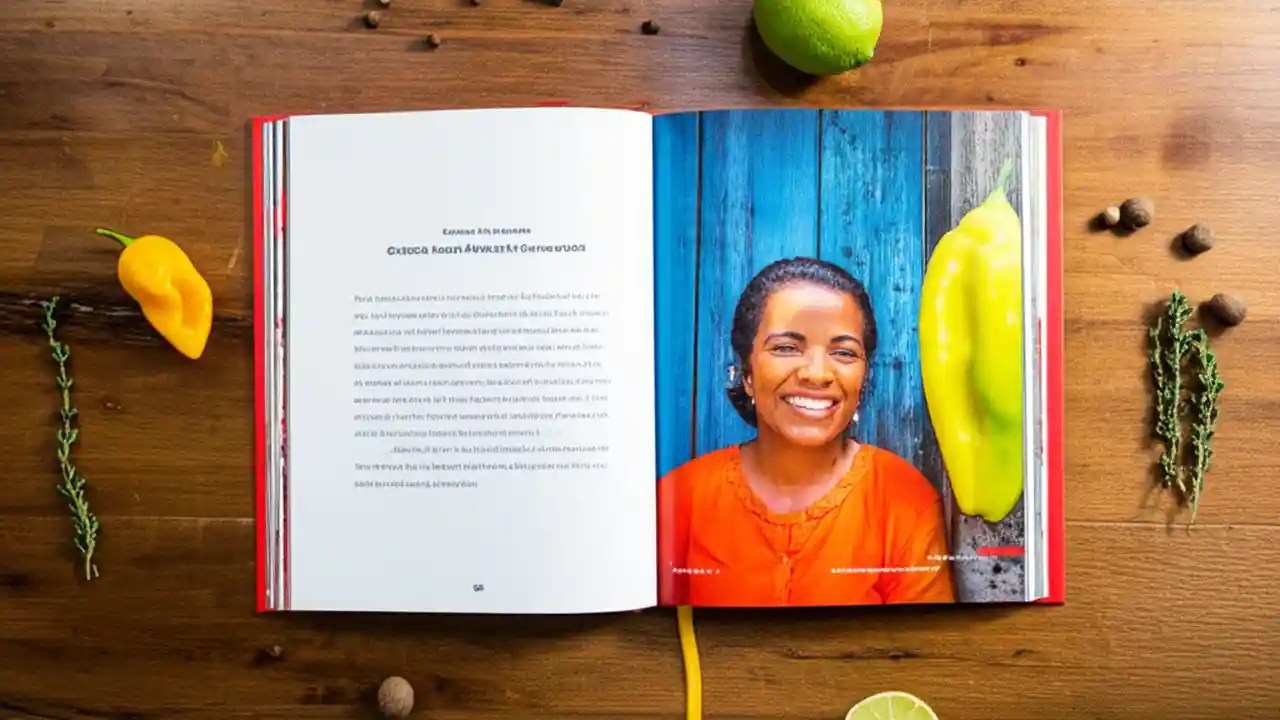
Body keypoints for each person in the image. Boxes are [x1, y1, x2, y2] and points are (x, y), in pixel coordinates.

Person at [657, 257, 956, 607]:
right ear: (747, 373)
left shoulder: (902, 499)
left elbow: (922, 645)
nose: (817, 374)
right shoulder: (679, 500)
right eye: (786, 348)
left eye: (843, 352)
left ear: (864, 377)